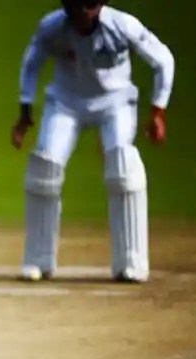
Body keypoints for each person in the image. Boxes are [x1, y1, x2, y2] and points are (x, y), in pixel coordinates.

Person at [12, 0, 174, 282]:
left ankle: (131, 262)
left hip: (115, 103)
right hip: (65, 102)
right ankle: (38, 259)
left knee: (122, 165)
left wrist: (157, 111)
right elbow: (31, 63)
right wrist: (25, 111)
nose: (82, 12)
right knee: (44, 166)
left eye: (88, 4)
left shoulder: (122, 25)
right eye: (76, 5)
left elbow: (163, 59)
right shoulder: (52, 27)